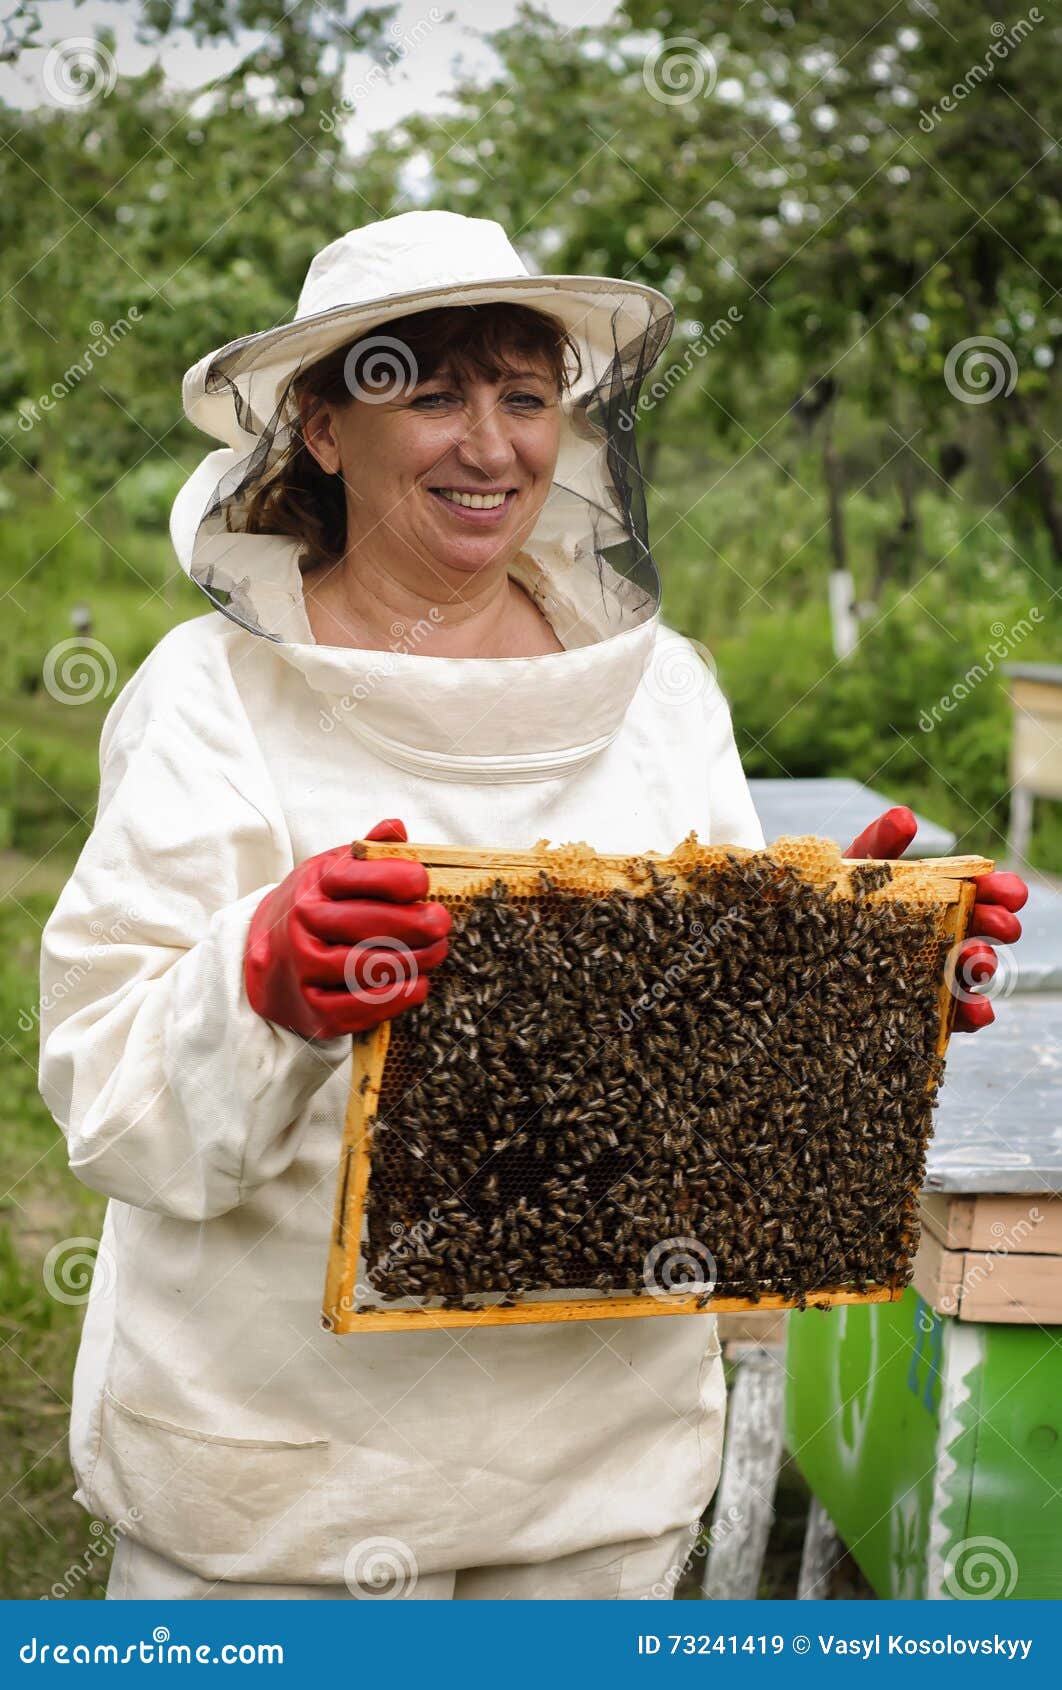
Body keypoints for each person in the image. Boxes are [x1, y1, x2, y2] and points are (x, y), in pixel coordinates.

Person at [38, 210, 1025, 1601]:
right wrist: (256, 977)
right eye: (427, 392)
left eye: (523, 393)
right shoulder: (208, 694)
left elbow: (716, 1091)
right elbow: (106, 1103)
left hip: (593, 1475)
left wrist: (851, 977)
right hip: (281, 1480)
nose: (489, 445)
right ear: (321, 427)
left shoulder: (660, 686)